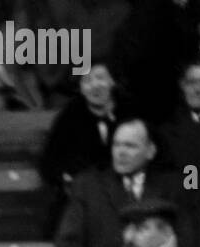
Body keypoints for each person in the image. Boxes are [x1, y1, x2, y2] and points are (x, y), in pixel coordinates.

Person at [55, 117, 192, 247]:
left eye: (130, 146)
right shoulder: (87, 185)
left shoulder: (173, 188)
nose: (120, 152)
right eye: (117, 145)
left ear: (150, 151)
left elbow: (187, 243)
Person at [38, 62, 135, 200]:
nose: (95, 85)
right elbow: (50, 163)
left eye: (100, 78)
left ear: (112, 81)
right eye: (87, 81)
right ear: (81, 88)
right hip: (84, 195)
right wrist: (68, 179)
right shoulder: (70, 116)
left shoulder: (130, 111)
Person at [157, 59, 200, 202]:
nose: (198, 89)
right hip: (185, 209)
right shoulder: (167, 131)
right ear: (182, 85)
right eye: (191, 82)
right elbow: (168, 180)